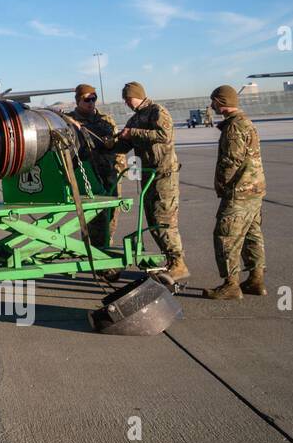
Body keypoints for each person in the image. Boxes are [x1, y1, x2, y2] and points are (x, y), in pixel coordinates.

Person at [111, 82, 189, 279]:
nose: (126, 103)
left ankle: (178, 263)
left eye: (128, 99)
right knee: (153, 219)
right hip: (147, 176)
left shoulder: (157, 111)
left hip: (164, 175)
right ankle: (171, 261)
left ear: (137, 96)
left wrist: (134, 132)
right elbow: (123, 145)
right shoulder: (135, 118)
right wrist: (109, 141)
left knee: (164, 219)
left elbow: (165, 135)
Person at [205, 85, 266, 300]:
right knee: (252, 233)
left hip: (239, 191)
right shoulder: (246, 123)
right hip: (255, 189)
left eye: (213, 101)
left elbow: (230, 161)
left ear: (221, 102)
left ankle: (231, 284)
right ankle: (256, 279)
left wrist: (221, 185)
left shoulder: (234, 127)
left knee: (225, 235)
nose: (211, 105)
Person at [65, 83, 125, 248]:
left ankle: (107, 245)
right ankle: (98, 250)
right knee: (93, 217)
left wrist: (120, 168)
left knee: (112, 214)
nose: (91, 102)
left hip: (110, 174)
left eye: (94, 98)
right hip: (88, 176)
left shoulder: (106, 120)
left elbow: (118, 146)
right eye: (87, 99)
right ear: (78, 101)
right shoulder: (69, 121)